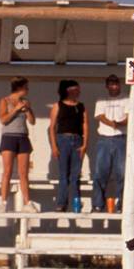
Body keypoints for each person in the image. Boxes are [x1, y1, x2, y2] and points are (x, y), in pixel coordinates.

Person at [0, 76, 39, 212]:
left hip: (23, 137)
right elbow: (3, 120)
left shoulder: (26, 102)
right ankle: (3, 202)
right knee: (7, 171)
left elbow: (32, 121)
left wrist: (27, 109)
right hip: (9, 137)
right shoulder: (5, 100)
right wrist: (15, 109)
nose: (28, 89)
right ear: (20, 87)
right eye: (26, 87)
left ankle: (28, 203)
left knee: (24, 173)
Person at [90, 74, 128, 214]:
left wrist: (118, 124)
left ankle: (121, 205)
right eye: (111, 84)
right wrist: (113, 123)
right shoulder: (101, 99)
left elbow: (129, 117)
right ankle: (98, 205)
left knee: (121, 173)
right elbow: (99, 116)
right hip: (104, 139)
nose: (114, 86)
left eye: (116, 84)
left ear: (119, 84)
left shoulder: (126, 98)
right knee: (100, 173)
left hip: (121, 138)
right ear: (107, 86)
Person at [49, 79, 87, 212]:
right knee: (63, 174)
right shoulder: (58, 105)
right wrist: (54, 146)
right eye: (76, 89)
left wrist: (84, 144)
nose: (79, 92)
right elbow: (52, 127)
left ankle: (76, 204)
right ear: (69, 90)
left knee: (75, 175)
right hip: (62, 140)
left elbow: (85, 125)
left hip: (77, 140)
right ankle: (61, 203)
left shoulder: (81, 106)